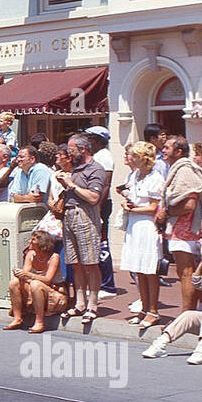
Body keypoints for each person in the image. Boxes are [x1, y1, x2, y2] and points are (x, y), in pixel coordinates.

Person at [156, 136, 202, 316]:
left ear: (179, 152)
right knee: (190, 271)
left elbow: (189, 204)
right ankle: (198, 309)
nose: (163, 150)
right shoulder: (178, 169)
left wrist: (167, 212)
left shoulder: (185, 170)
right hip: (181, 228)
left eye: (167, 147)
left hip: (185, 229)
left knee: (186, 273)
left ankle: (186, 315)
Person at [56, 133, 107, 321]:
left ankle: (93, 305)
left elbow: (94, 198)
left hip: (85, 215)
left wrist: (71, 185)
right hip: (69, 215)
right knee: (75, 263)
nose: (69, 154)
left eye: (72, 150)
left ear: (83, 149)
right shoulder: (76, 168)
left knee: (90, 263)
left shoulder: (96, 169)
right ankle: (80, 303)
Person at [118, 141, 165, 329]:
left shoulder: (156, 178)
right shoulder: (136, 175)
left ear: (145, 159)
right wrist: (127, 203)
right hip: (134, 225)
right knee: (138, 269)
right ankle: (144, 309)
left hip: (147, 226)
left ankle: (153, 310)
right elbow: (133, 196)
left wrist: (134, 209)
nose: (132, 159)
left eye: (135, 156)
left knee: (149, 270)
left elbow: (154, 207)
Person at [4, 229, 67, 332]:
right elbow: (25, 275)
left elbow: (48, 280)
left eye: (33, 240)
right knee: (14, 282)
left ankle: (39, 322)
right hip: (35, 290)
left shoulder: (54, 257)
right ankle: (17, 318)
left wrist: (29, 275)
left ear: (42, 243)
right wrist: (20, 274)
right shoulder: (31, 254)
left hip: (54, 293)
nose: (30, 241)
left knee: (36, 284)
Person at [82, 126, 117, 293]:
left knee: (102, 243)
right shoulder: (96, 156)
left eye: (89, 138)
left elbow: (105, 185)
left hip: (101, 205)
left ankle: (107, 284)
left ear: (96, 140)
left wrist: (98, 207)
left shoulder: (105, 157)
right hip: (94, 205)